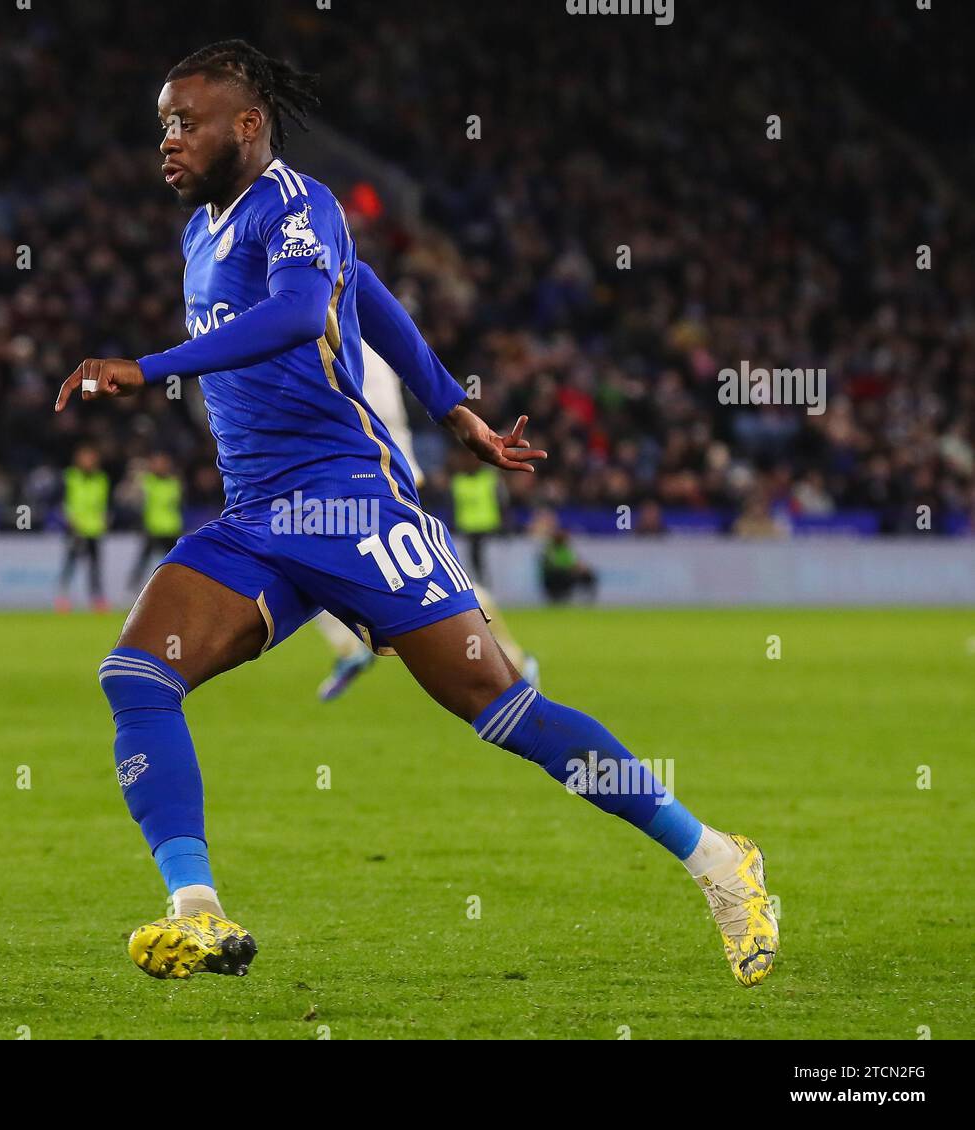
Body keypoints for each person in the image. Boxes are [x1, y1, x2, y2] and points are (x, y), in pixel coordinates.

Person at [54, 40, 777, 987]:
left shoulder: (297, 205)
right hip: (258, 518)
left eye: (185, 122)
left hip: (352, 503)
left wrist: (146, 368)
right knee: (137, 674)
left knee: (505, 707)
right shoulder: (203, 230)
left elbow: (305, 310)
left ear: (248, 123)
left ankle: (721, 862)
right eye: (161, 126)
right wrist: (456, 408)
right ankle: (197, 912)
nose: (168, 141)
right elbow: (372, 297)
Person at [317, 350, 538, 701]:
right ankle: (348, 648)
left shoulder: (337, 337)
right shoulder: (353, 334)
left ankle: (516, 662)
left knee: (435, 584)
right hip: (367, 477)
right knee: (313, 559)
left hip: (379, 478)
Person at [56, 444, 110, 613]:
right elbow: (63, 500)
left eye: (91, 458)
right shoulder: (70, 477)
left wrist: (104, 518)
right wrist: (69, 518)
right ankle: (62, 598)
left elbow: (104, 503)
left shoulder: (101, 479)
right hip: (75, 528)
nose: (88, 461)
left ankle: (97, 599)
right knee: (70, 564)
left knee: (94, 566)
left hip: (94, 529)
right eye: (85, 457)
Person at [129, 452, 185, 590]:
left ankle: (177, 589)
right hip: (153, 529)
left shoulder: (174, 483)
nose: (160, 466)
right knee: (142, 563)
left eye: (163, 463)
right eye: (157, 463)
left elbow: (179, 503)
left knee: (176, 564)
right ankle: (134, 590)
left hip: (171, 528)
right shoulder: (147, 482)